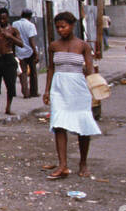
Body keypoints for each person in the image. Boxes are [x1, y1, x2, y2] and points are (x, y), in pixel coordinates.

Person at [43, 11, 101, 178]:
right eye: (58, 27)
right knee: (59, 124)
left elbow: (89, 69)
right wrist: (47, 90)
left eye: (64, 26)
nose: (61, 30)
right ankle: (63, 165)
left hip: (79, 88)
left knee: (82, 125)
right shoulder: (54, 46)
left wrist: (94, 87)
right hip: (59, 88)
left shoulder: (83, 46)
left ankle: (83, 163)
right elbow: (51, 69)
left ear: (72, 25)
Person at [0, 7, 23, 114]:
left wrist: (10, 37)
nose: (2, 21)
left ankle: (8, 108)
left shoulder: (13, 30)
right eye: (0, 19)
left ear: (7, 18)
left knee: (10, 84)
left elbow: (21, 44)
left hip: (9, 58)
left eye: (4, 18)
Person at [13, 8, 39, 98]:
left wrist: (14, 52)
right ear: (30, 16)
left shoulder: (15, 24)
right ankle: (34, 92)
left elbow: (13, 38)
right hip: (30, 51)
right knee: (33, 72)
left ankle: (26, 93)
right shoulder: (31, 25)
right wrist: (36, 53)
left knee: (23, 72)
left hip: (19, 51)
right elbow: (31, 40)